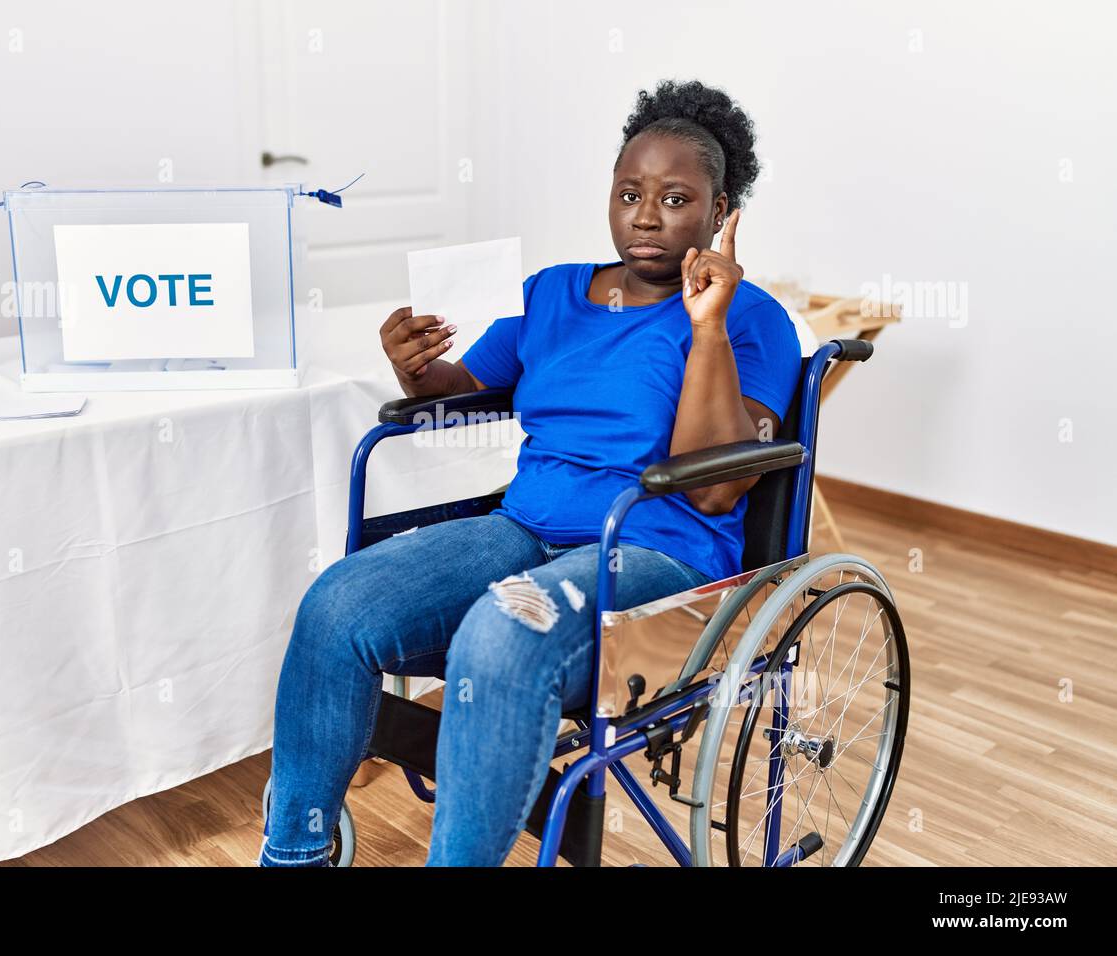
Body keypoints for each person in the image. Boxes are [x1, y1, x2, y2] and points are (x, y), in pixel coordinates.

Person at [258, 78, 801, 867]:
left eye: (676, 198)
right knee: (337, 605)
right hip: (524, 530)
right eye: (628, 193)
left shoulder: (751, 318)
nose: (645, 216)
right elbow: (462, 390)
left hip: (653, 555)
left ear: (721, 214)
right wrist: (418, 369)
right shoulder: (551, 293)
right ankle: (295, 851)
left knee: (503, 633)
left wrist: (706, 325)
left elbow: (714, 484)